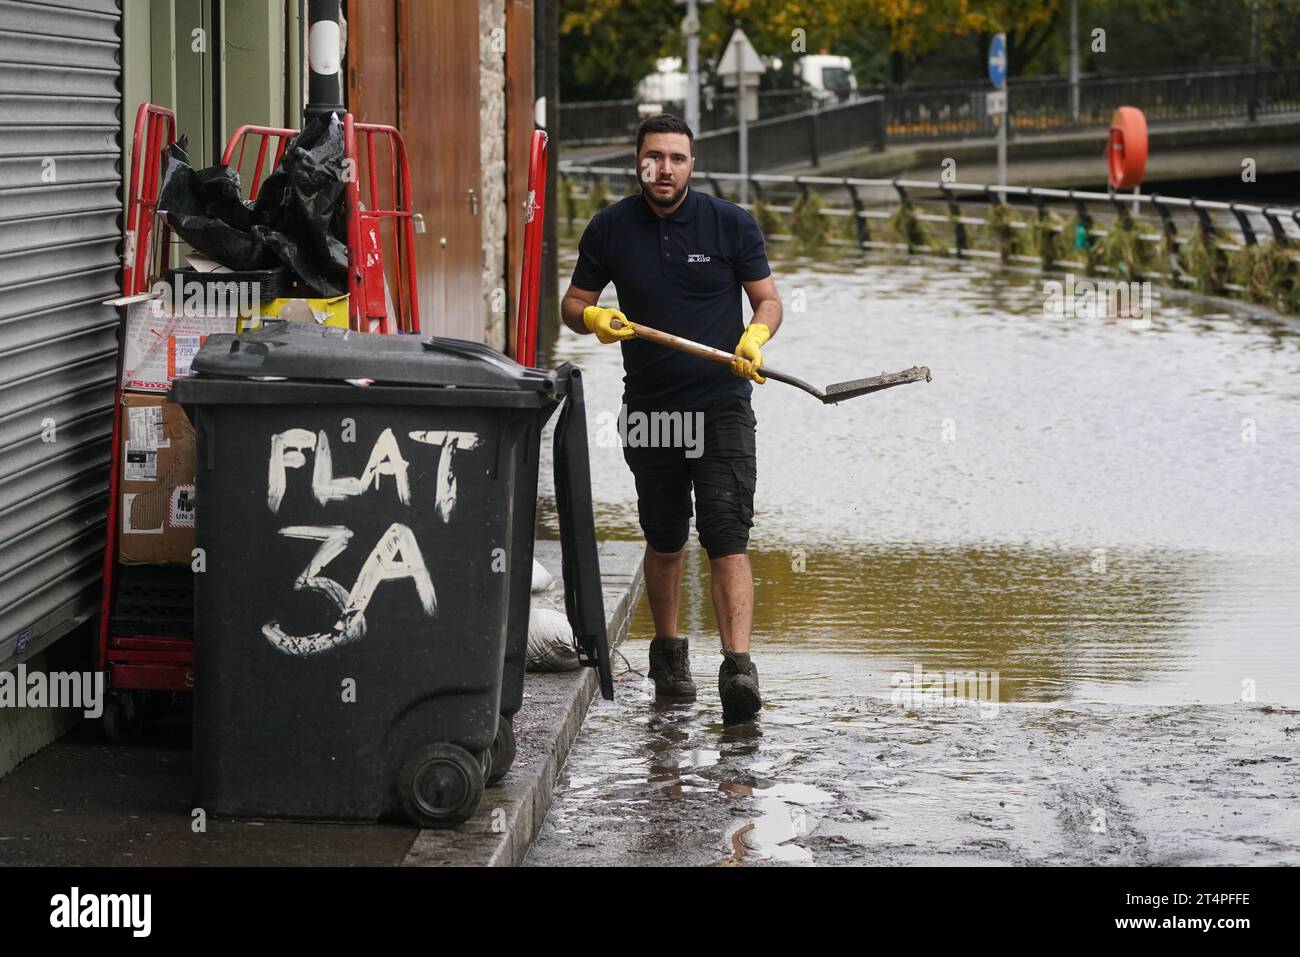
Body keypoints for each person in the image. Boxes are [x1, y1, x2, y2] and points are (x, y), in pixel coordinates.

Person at [560, 113, 783, 722]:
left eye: (677, 158)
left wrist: (755, 336)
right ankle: (669, 656)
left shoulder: (730, 224)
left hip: (722, 404)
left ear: (692, 163)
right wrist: (594, 319)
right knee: (664, 537)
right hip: (651, 410)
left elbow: (767, 298)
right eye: (654, 156)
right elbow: (573, 303)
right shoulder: (610, 228)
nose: (665, 168)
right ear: (638, 162)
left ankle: (738, 668)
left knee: (727, 534)